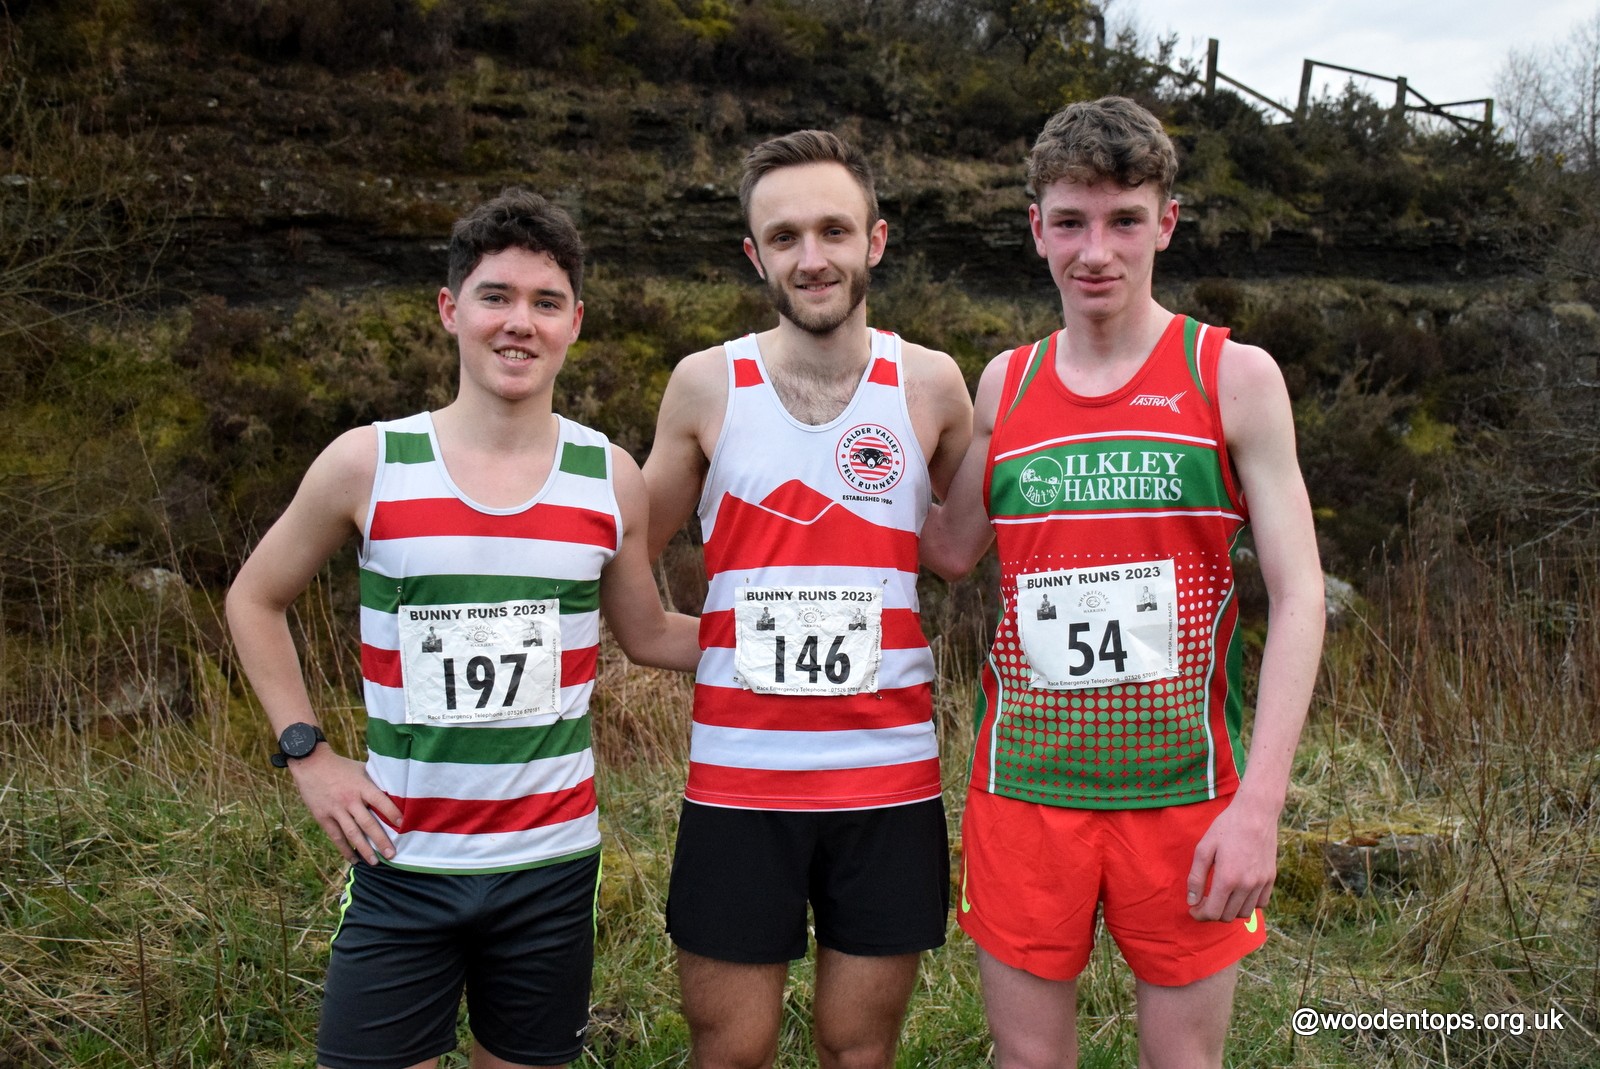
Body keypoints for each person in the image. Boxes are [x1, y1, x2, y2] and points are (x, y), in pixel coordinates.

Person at [226, 188, 701, 1069]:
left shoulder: (610, 475)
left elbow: (650, 633)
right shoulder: (368, 462)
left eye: (545, 302)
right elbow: (253, 598)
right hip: (402, 861)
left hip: (552, 869)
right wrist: (308, 755)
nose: (519, 323)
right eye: (496, 296)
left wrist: (776, 628)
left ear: (574, 323)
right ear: (451, 310)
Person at [922, 96, 1326, 1068]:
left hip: (1185, 794)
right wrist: (837, 446)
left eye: (1122, 220)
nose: (1094, 250)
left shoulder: (1232, 376)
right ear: (1036, 229)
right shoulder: (1003, 384)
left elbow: (1301, 592)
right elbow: (947, 546)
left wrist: (1260, 807)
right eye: (1070, 221)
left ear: (1165, 223)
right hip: (1022, 795)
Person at [642, 130, 974, 1069]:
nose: (812, 256)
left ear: (876, 240)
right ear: (756, 255)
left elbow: (960, 546)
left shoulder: (932, 381)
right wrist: (662, 635)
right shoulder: (707, 383)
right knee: (731, 1050)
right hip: (739, 787)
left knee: (858, 1048)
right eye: (784, 236)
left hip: (890, 784)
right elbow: (631, 538)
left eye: (834, 230)